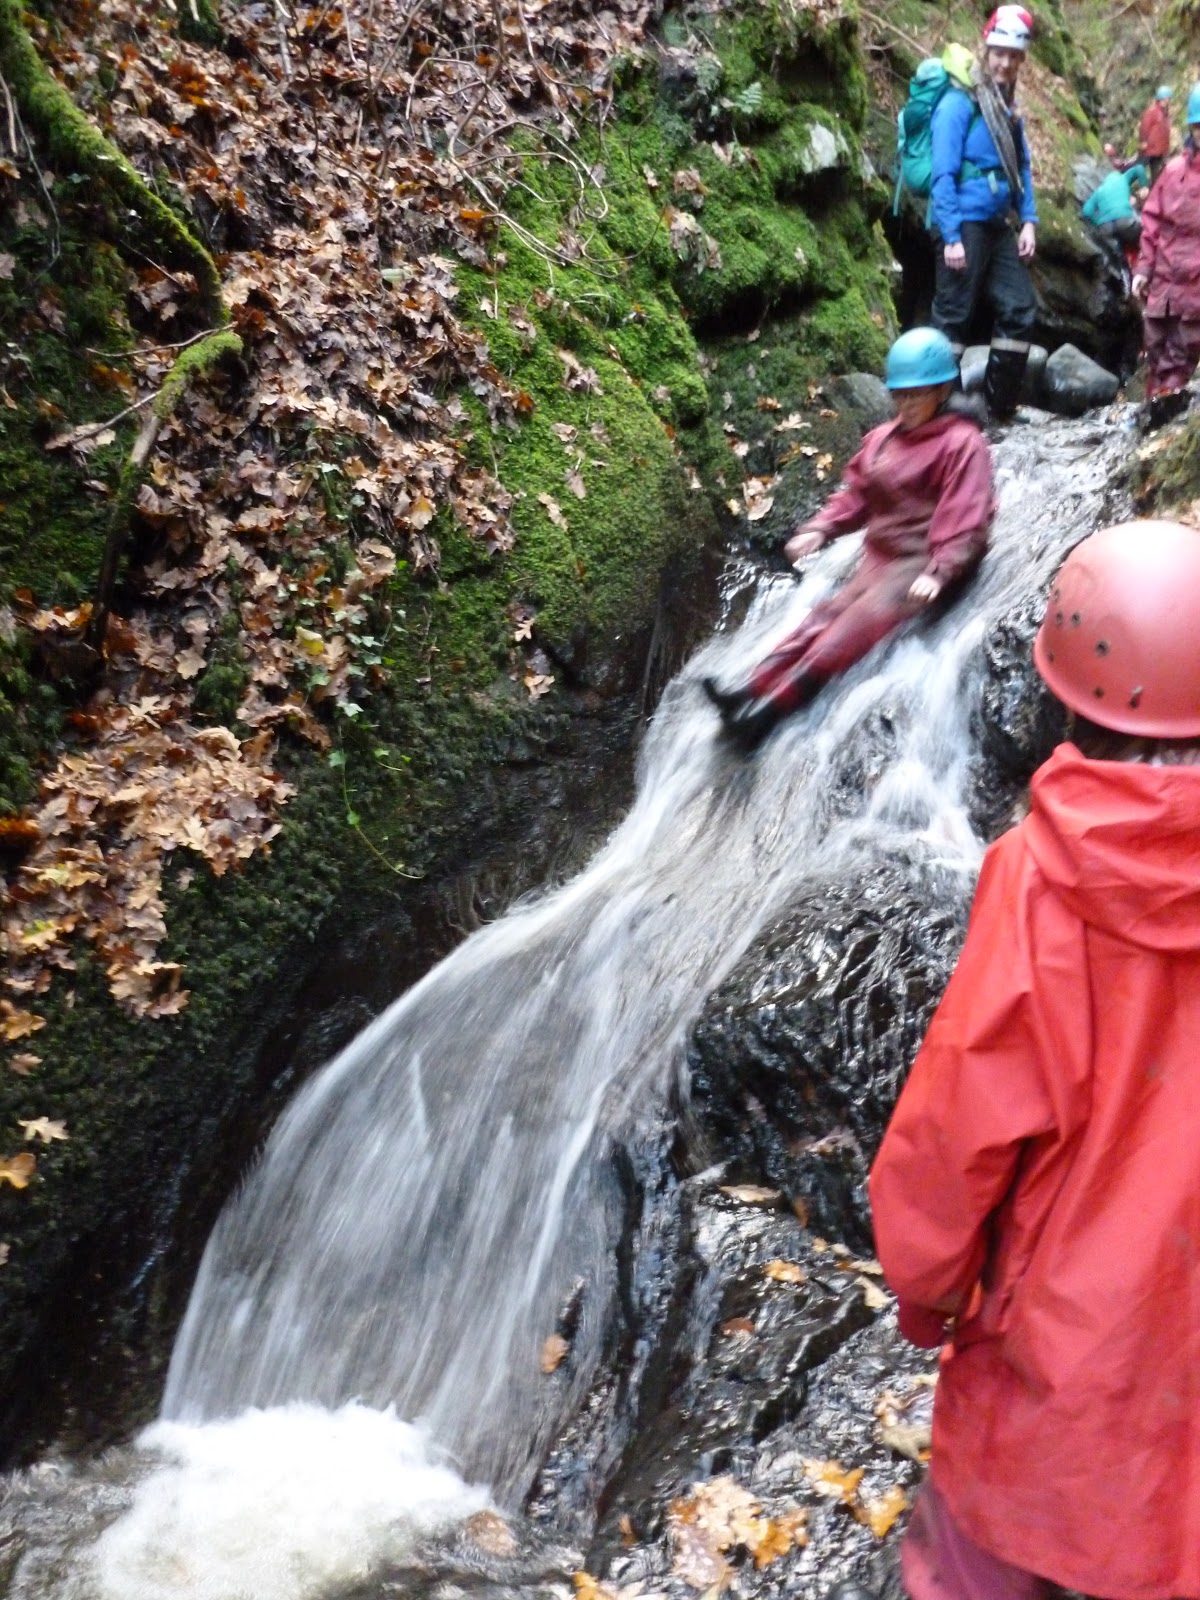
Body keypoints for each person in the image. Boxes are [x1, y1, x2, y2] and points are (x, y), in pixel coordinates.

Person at [868, 518, 1200, 1599]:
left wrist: (929, 1294)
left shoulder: (1040, 881)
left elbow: (959, 1122)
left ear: (1066, 700)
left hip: (1056, 1392)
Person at [702, 329, 993, 749]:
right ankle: (747, 691)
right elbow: (856, 495)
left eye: (917, 395)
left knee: (843, 635)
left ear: (943, 389)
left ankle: (764, 718)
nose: (906, 405)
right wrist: (821, 528)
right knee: (820, 619)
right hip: (879, 559)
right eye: (900, 395)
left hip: (917, 564)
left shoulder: (962, 445)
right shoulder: (883, 440)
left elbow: (966, 517)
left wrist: (940, 570)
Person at [928, 6, 1039, 420]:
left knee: (1019, 308)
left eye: (1013, 56)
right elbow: (943, 174)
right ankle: (942, 413)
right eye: (999, 53)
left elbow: (1021, 167)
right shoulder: (959, 104)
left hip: (996, 225)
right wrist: (952, 236)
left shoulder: (1008, 110)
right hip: (962, 225)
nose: (1005, 63)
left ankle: (997, 410)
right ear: (986, 48)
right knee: (954, 316)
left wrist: (1028, 220)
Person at [1132, 83, 1200, 402]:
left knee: (1180, 361)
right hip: (1162, 287)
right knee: (1155, 354)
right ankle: (1151, 420)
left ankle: (1166, 418)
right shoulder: (1173, 172)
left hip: (1195, 295)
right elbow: (1152, 221)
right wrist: (1143, 268)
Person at [1081, 161, 1147, 288]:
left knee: (1118, 254)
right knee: (1145, 234)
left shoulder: (1100, 191)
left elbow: (1086, 211)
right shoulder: (1122, 178)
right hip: (1125, 221)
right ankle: (1145, 261)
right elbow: (1139, 168)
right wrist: (1144, 186)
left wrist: (1098, 220)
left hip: (1106, 228)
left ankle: (1126, 278)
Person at [1137, 83, 1173, 185]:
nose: (1168, 101)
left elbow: (1165, 134)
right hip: (1149, 149)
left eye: (1169, 99)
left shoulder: (1165, 114)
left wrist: (1166, 151)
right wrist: (1143, 141)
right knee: (1139, 169)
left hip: (1159, 151)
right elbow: (1144, 126)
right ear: (1161, 98)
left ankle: (1152, 193)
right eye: (1167, 99)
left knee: (1157, 176)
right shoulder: (1152, 111)